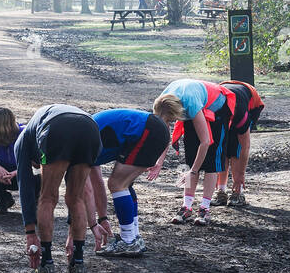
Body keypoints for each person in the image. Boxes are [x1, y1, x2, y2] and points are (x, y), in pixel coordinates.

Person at [16, 104, 108, 273]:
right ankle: (78, 264)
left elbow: (24, 185)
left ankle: (47, 264)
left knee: (48, 197)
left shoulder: (23, 140)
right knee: (75, 197)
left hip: (57, 128)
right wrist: (72, 235)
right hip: (90, 129)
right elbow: (84, 192)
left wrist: (30, 232)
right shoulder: (37, 127)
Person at [152, 79, 236, 226]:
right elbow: (164, 135)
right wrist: (159, 162)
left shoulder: (190, 104)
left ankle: (204, 208)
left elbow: (206, 141)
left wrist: (194, 171)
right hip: (192, 106)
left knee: (210, 162)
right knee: (190, 160)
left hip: (217, 107)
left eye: (171, 120)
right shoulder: (162, 104)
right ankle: (186, 206)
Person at [88, 107, 169, 255]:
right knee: (124, 184)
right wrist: (102, 218)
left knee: (117, 184)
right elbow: (96, 183)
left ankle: (128, 241)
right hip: (154, 128)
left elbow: (84, 190)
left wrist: (95, 221)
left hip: (147, 130)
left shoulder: (80, 145)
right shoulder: (84, 141)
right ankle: (133, 237)